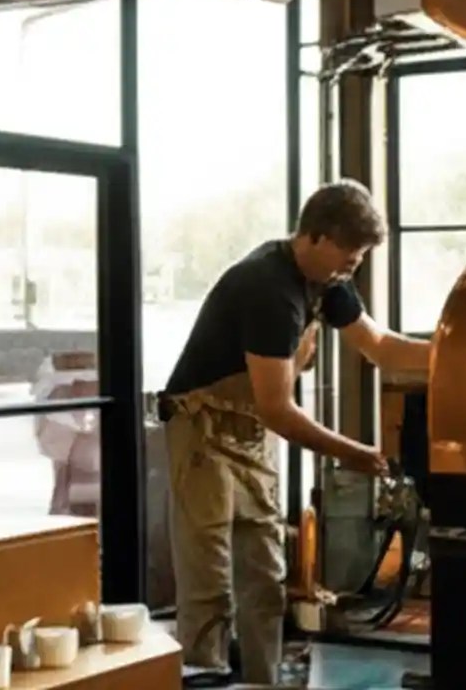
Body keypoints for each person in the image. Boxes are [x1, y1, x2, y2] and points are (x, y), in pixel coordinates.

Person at [158, 178, 430, 685]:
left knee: (266, 581)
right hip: (203, 435)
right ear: (316, 236)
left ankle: (262, 683)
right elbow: (278, 408)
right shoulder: (268, 288)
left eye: (363, 253)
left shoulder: (327, 283)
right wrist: (353, 453)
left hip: (251, 437)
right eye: (350, 250)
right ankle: (207, 680)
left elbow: (380, 346)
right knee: (208, 588)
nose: (356, 262)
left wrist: (453, 355)